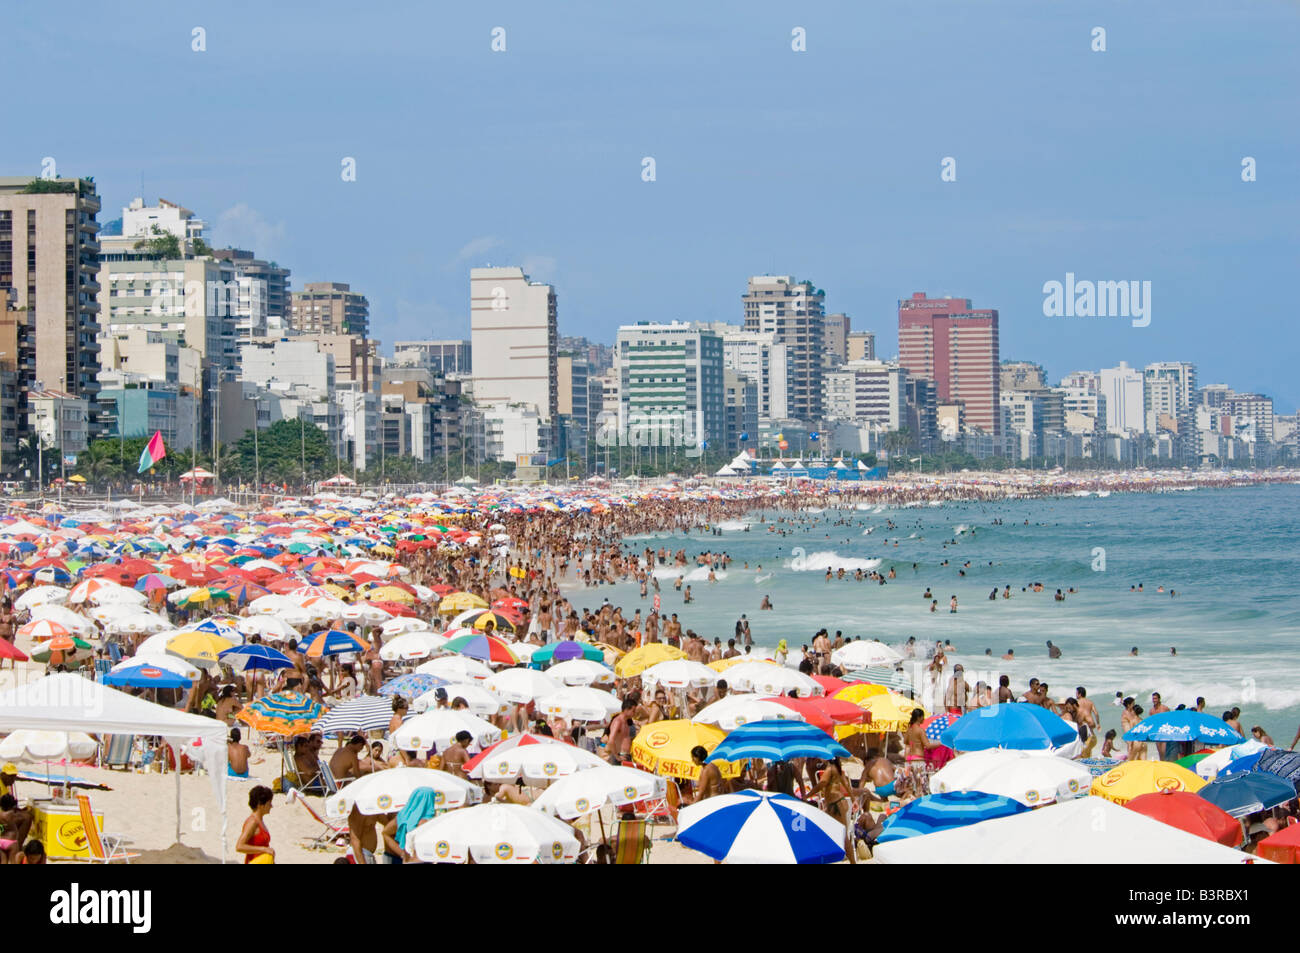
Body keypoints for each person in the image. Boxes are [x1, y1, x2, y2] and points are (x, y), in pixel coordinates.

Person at [236, 785, 275, 864]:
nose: (271, 806)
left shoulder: (259, 821)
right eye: (269, 803)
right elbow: (239, 846)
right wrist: (263, 849)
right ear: (261, 805)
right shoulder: (252, 822)